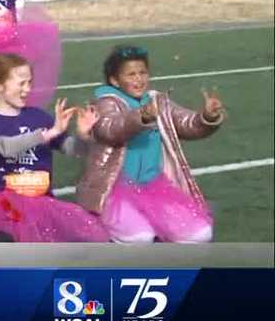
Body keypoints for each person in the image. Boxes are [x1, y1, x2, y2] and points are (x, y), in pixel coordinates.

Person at [77, 45, 224, 243]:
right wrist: (142, 117)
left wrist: (206, 116)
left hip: (154, 187)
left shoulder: (156, 101)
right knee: (140, 238)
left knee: (200, 234)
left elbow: (186, 123)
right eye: (130, 74)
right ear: (115, 80)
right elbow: (111, 129)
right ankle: (105, 230)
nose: (138, 79)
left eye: (142, 73)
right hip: (114, 191)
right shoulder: (106, 102)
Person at [0, 54, 109, 242]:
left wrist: (83, 136)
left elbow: (72, 149)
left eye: (29, 83)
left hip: (40, 203)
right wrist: (48, 134)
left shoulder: (38, 116)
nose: (27, 89)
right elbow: (5, 147)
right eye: (21, 84)